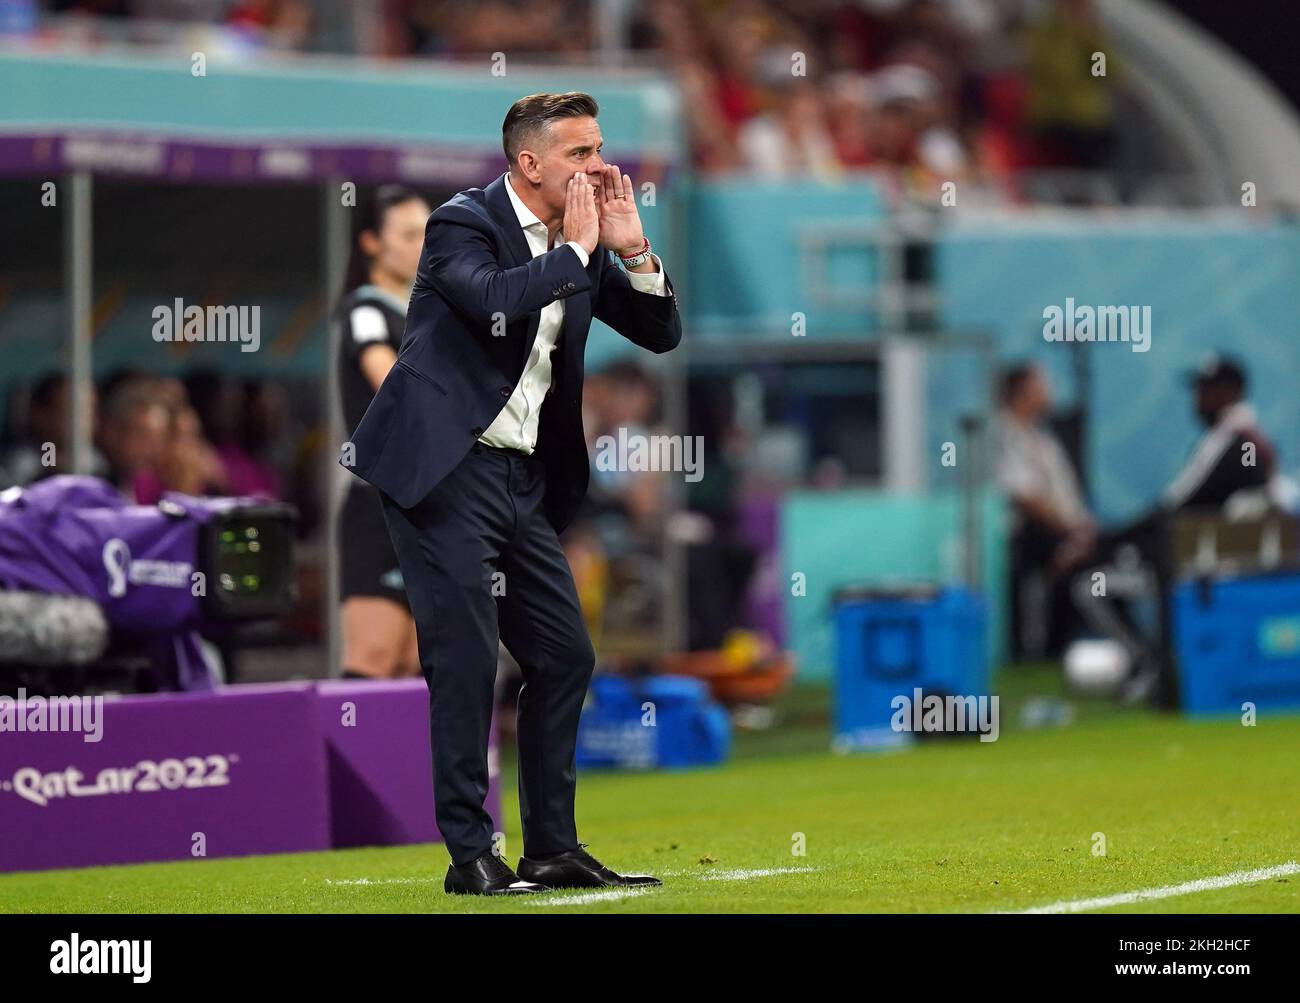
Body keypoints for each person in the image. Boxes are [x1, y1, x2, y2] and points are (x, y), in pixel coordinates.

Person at [344, 92, 680, 895]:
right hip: (442, 468)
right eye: (578, 153)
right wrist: (578, 250)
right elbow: (495, 299)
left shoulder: (588, 237)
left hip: (521, 474)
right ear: (529, 163)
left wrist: (631, 253)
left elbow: (661, 333)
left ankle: (552, 848)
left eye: (599, 148)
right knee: (463, 658)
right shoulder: (463, 222)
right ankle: (470, 852)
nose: (597, 166)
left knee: (565, 653)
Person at [335, 185, 431, 681]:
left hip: (433, 505)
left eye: (428, 232)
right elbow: (394, 385)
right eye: (409, 234)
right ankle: (340, 761)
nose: (423, 244)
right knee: (374, 657)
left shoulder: (435, 312)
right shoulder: (365, 309)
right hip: (378, 506)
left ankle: (422, 765)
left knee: (420, 662)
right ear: (372, 243)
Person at [994, 362, 1095, 658]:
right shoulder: (1003, 435)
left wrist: (1083, 528)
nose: (1050, 391)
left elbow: (1066, 496)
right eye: (1043, 384)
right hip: (1030, 538)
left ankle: (1065, 649)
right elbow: (1023, 496)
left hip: (1062, 530)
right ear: (1022, 393)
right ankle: (1041, 652)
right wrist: (1069, 533)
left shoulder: (1043, 439)